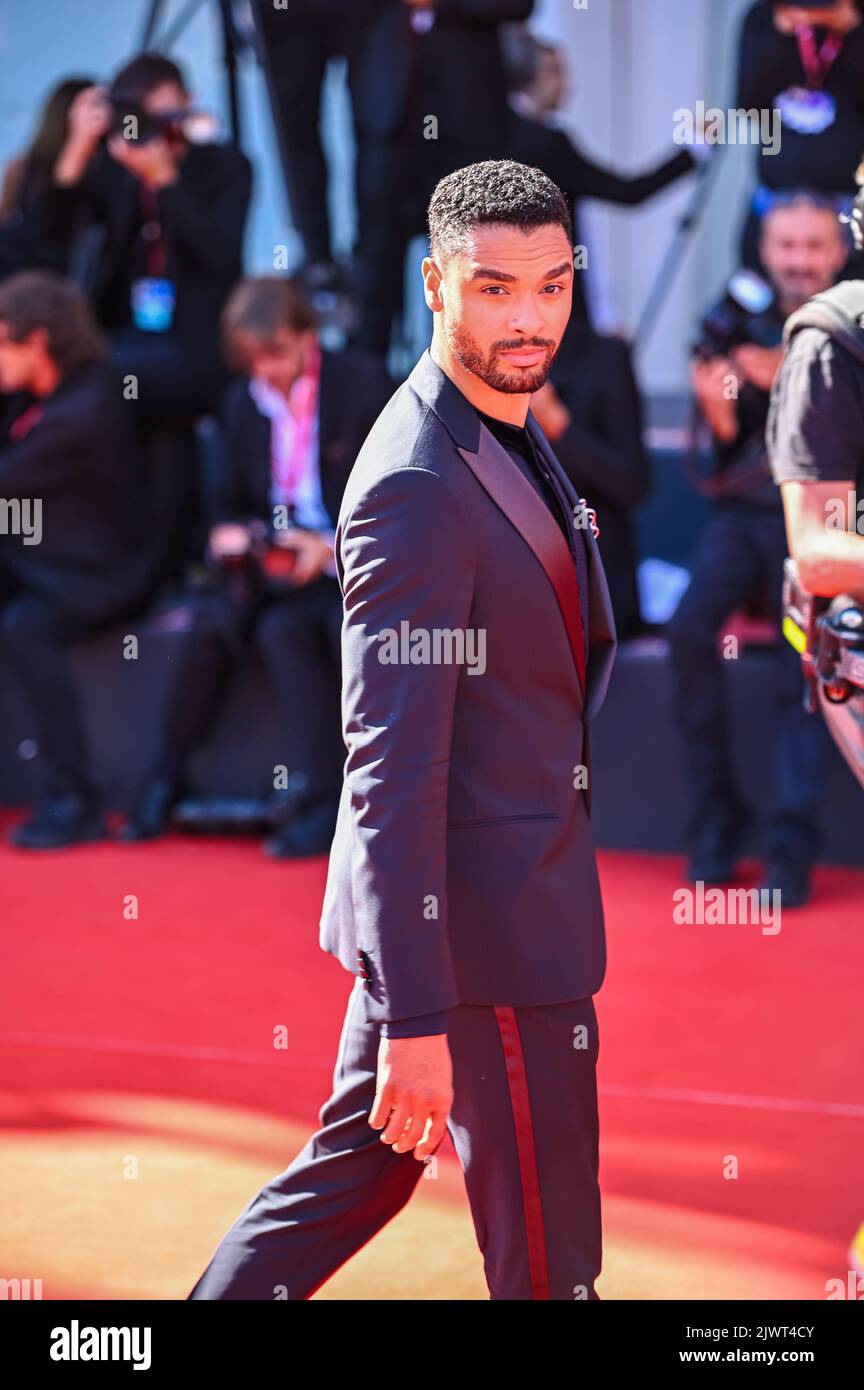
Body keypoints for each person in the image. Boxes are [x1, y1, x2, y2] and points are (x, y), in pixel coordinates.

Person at [187, 159, 616, 1301]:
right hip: (482, 940)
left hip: (491, 900)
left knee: (359, 1171)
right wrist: (417, 1015)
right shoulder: (418, 481)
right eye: (493, 289)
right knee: (552, 1263)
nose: (528, 319)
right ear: (435, 283)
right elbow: (388, 765)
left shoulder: (501, 423)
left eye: (551, 285)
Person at [123, 276, 394, 857]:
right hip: (272, 566)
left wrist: (330, 548)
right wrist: (232, 535)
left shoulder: (363, 384)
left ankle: (327, 805)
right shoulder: (241, 401)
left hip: (349, 569)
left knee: (284, 632)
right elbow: (224, 502)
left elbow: (401, 496)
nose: (265, 369)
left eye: (274, 353)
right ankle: (165, 779)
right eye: (253, 358)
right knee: (213, 625)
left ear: (307, 338)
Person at [668, 192, 848, 905]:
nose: (799, 262)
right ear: (765, 250)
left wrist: (791, 377)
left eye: (813, 247)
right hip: (745, 515)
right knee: (685, 634)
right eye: (786, 247)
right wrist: (719, 410)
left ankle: (791, 849)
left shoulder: (852, 318)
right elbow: (722, 435)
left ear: (838, 252)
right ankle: (716, 823)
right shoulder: (736, 311)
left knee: (803, 664)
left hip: (830, 521)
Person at [0, 272, 153, 848]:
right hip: (45, 558)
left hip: (101, 575)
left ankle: (75, 798)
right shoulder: (35, 395)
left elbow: (7, 484)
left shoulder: (83, 411)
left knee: (22, 630)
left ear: (37, 341)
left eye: (1, 342)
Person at [503, 32, 704, 327]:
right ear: (537, 76)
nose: (568, 85)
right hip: (554, 303)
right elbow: (630, 192)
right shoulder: (547, 144)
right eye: (558, 72)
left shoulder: (487, 138)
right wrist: (693, 149)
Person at [531, 315, 651, 639]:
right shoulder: (489, 357)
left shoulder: (603, 357)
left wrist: (560, 427)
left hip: (597, 580)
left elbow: (633, 482)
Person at [736, 0, 864, 272]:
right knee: (756, 292)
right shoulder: (763, 17)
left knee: (844, 302)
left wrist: (852, 30)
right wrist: (783, 37)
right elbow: (749, 104)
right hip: (775, 197)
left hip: (847, 203)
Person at [0, 77, 94, 279]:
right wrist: (82, 140)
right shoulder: (25, 172)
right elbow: (54, 214)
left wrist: (133, 121)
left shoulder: (114, 168)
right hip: (37, 288)